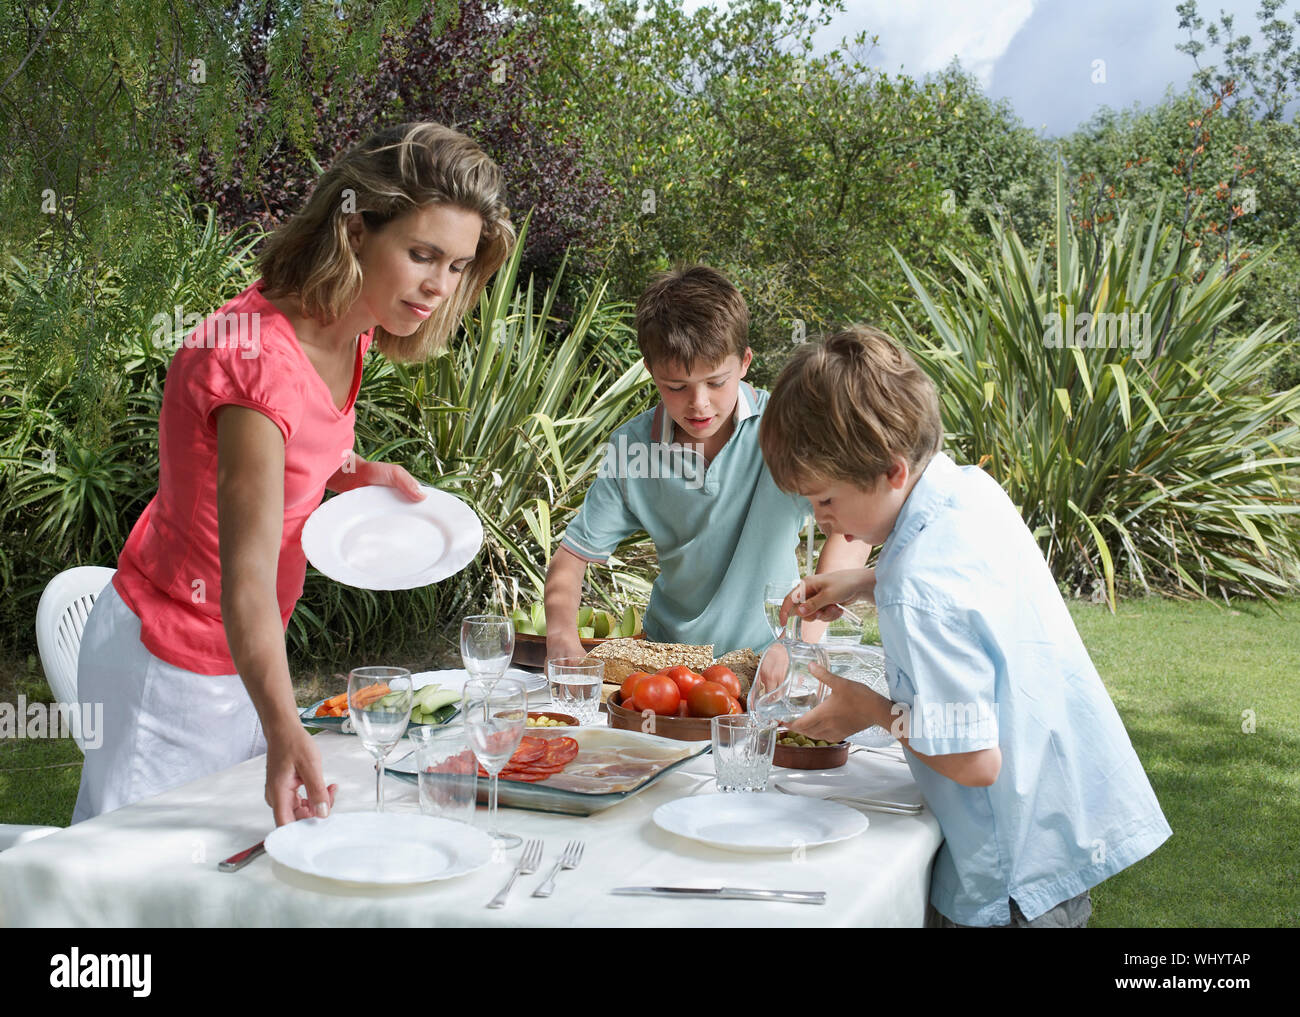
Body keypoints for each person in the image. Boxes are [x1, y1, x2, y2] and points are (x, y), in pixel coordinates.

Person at [73, 122, 515, 827]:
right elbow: (243, 577)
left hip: (241, 652)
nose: (439, 284)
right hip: (175, 656)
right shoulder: (258, 364)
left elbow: (290, 449)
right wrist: (286, 728)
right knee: (119, 883)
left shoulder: (349, 322)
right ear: (355, 230)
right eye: (422, 254)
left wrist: (351, 471)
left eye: (458, 265)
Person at [761, 324, 1172, 928]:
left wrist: (869, 710)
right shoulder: (968, 490)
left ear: (892, 471)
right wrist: (865, 580)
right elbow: (973, 591)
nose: (820, 520)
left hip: (1010, 874)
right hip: (1056, 822)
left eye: (825, 500)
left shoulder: (918, 590)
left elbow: (974, 760)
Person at [543, 265, 870, 662]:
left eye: (716, 382)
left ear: (745, 362)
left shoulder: (787, 428)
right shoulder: (632, 448)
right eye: (676, 387)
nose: (698, 403)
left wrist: (802, 638)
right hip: (667, 661)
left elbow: (853, 532)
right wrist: (561, 637)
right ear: (650, 371)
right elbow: (572, 557)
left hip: (773, 654)